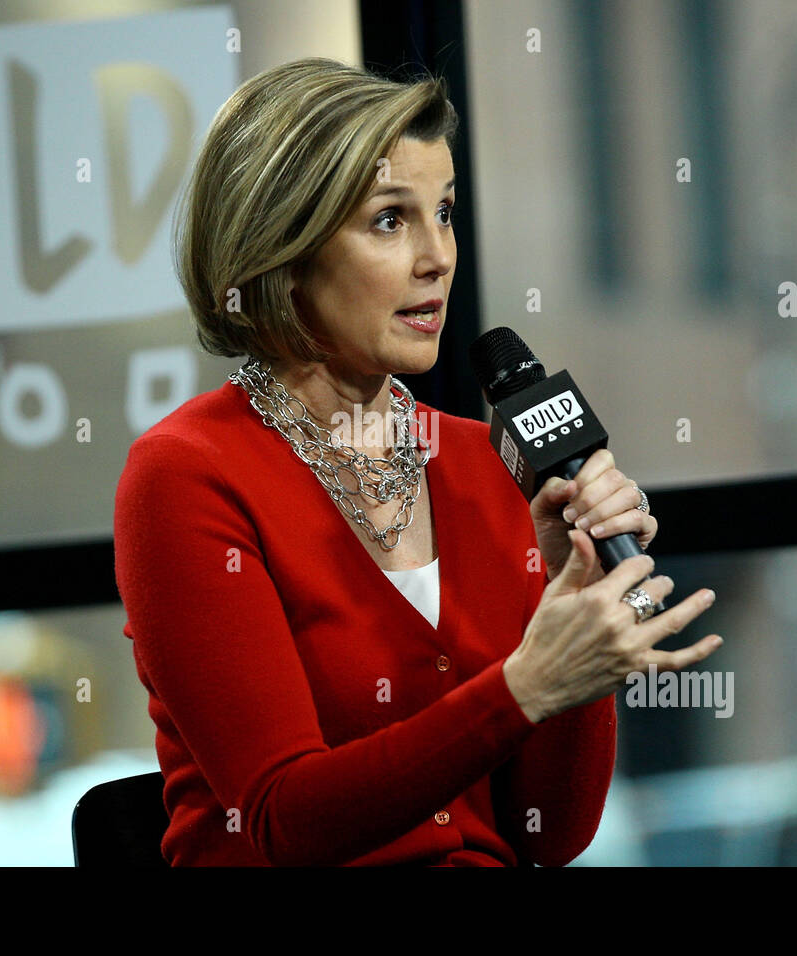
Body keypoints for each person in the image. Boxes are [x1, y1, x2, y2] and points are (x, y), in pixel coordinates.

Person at [113, 57, 723, 867]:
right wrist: (524, 686)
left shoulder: (485, 461)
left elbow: (552, 831)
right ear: (281, 251)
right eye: (390, 221)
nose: (437, 256)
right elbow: (286, 818)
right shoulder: (186, 474)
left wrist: (568, 613)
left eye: (445, 212)